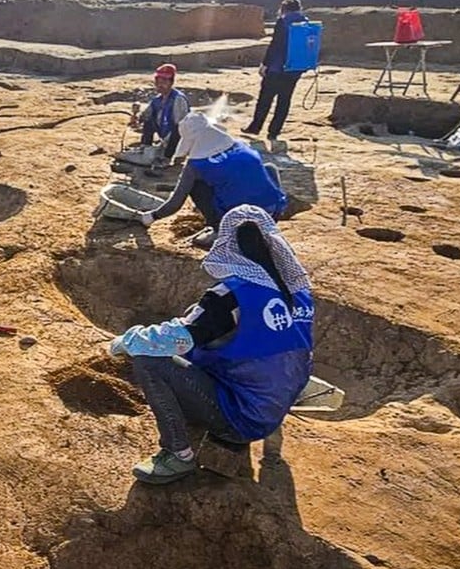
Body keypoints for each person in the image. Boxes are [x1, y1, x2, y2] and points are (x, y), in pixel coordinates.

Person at [108, 205, 314, 485]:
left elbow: (178, 338)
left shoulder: (231, 296)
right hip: (272, 407)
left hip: (242, 418)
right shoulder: (298, 292)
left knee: (149, 360)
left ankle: (178, 454)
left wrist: (127, 341)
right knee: (214, 337)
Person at [136, 112, 287, 249]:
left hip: (239, 222)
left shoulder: (195, 166)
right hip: (270, 214)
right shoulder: (241, 146)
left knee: (196, 186)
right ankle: (269, 218)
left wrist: (151, 217)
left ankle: (220, 230)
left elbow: (176, 203)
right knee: (268, 168)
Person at [243, 0, 308, 141]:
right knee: (284, 101)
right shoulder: (306, 23)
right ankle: (274, 132)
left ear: (283, 8)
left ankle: (255, 127)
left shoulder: (283, 22)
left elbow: (275, 45)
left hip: (277, 68)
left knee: (265, 99)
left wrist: (265, 64)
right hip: (294, 69)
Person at [120, 63, 190, 166]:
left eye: (164, 82)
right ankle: (144, 148)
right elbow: (145, 116)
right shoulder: (157, 100)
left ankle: (167, 158)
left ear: (171, 82)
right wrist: (136, 118)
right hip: (165, 134)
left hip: (178, 139)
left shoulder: (178, 99)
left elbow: (182, 125)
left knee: (178, 129)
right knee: (149, 121)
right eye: (158, 82)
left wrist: (167, 143)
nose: (160, 85)